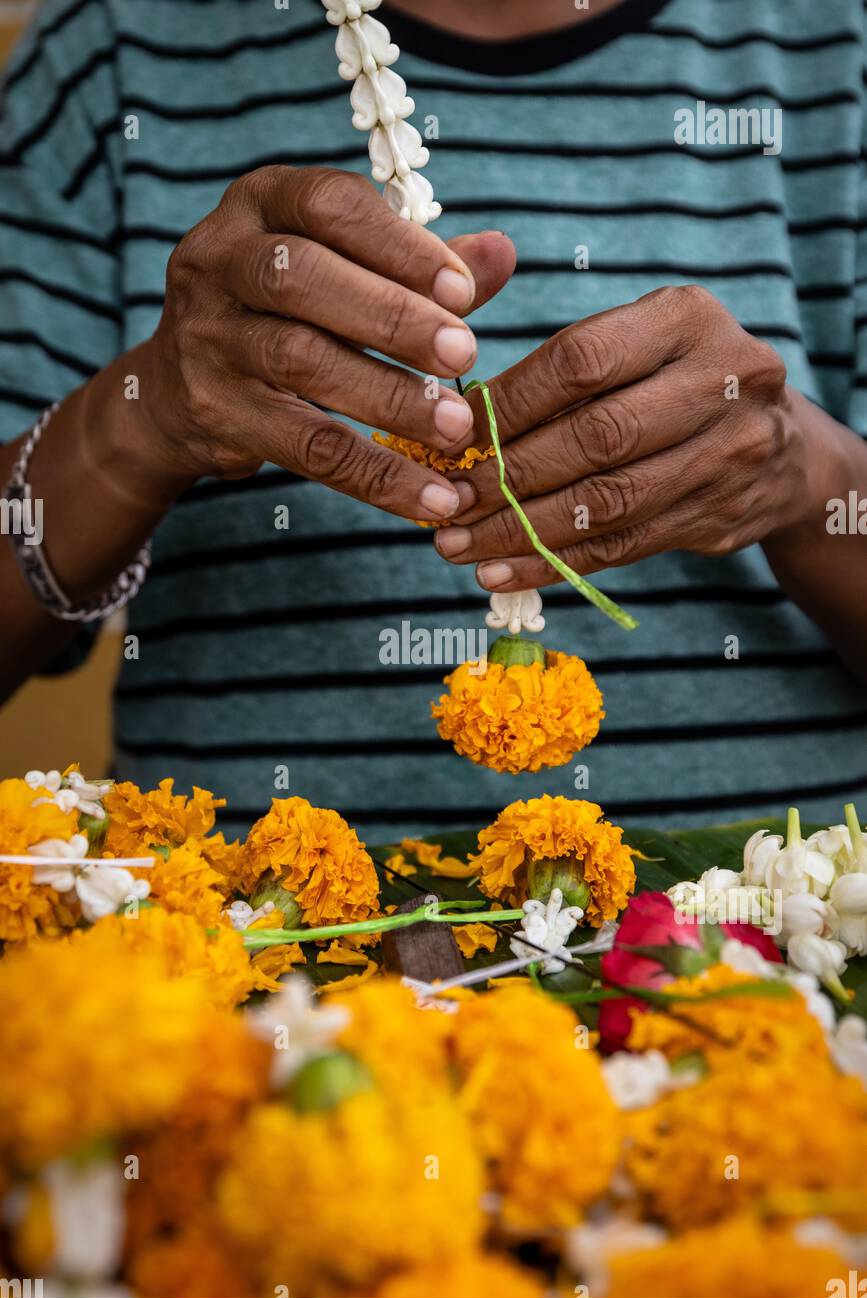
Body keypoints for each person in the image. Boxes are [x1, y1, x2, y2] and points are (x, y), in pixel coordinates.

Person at [1, 0, 866, 845]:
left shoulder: (837, 39)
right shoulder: (111, 47)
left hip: (777, 945)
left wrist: (809, 478)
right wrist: (143, 421)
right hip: (247, 959)